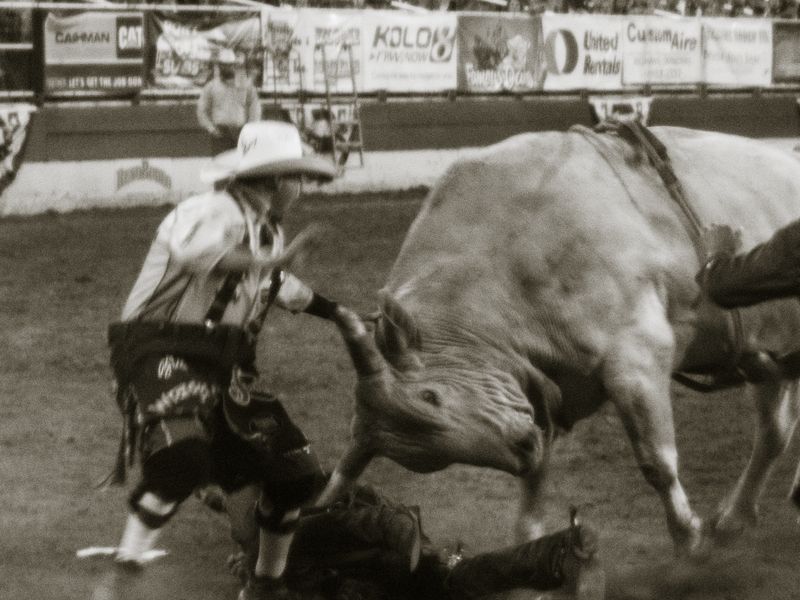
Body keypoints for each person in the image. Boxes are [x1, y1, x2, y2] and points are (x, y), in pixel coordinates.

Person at [106, 119, 340, 600]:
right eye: (296, 177)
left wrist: (342, 314)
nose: (301, 187)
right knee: (183, 456)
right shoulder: (211, 208)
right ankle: (121, 576)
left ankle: (266, 586)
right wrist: (274, 262)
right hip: (158, 344)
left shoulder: (267, 232)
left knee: (295, 471)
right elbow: (200, 257)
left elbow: (281, 288)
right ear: (277, 179)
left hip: (219, 361)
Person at [219, 483, 605, 600]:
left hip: (394, 559)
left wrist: (415, 554)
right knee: (460, 579)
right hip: (385, 568)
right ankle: (559, 556)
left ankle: (560, 556)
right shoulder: (273, 548)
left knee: (455, 579)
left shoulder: (299, 528)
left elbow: (383, 521)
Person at [197, 49, 262, 155]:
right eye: (223, 65)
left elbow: (255, 108)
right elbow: (202, 110)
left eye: (229, 65)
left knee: (242, 166)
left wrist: (250, 129)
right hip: (220, 134)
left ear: (234, 66)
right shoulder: (211, 87)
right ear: (219, 66)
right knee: (221, 166)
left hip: (241, 133)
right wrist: (212, 129)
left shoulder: (246, 86)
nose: (226, 68)